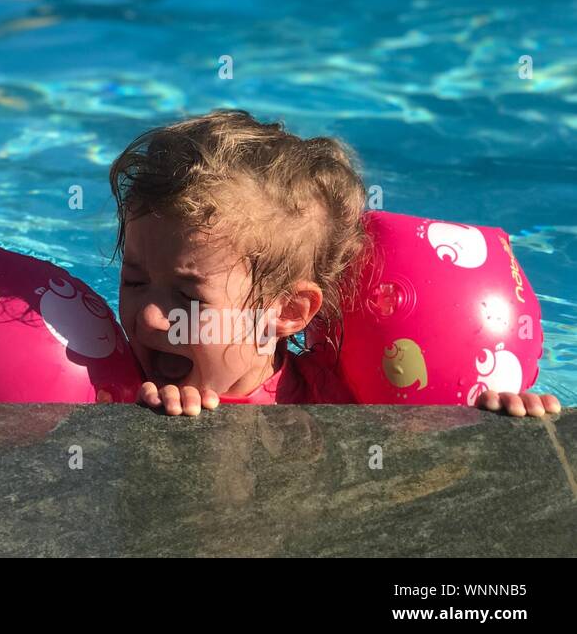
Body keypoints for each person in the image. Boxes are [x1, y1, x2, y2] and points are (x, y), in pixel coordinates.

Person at [110, 110, 561, 418]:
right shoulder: (115, 384)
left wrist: (492, 416)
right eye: (134, 280)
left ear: (287, 311)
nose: (149, 316)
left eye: (189, 297)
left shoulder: (332, 401)